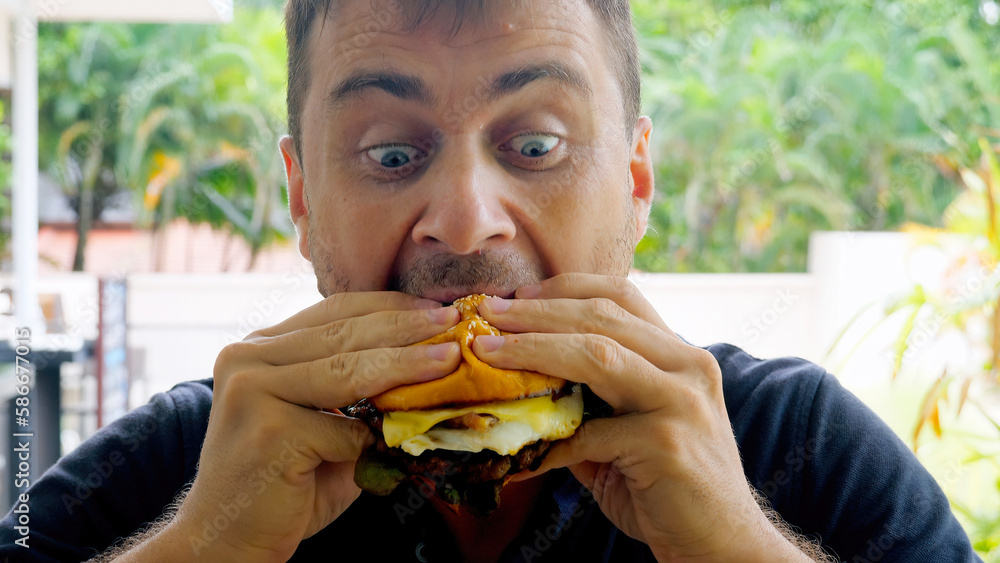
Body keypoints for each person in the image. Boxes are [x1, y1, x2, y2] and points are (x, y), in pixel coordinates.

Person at [0, 0, 982, 561]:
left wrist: (736, 545)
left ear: (635, 182)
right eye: (388, 154)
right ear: (300, 197)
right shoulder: (186, 463)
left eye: (537, 143)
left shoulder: (795, 443)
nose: (467, 220)